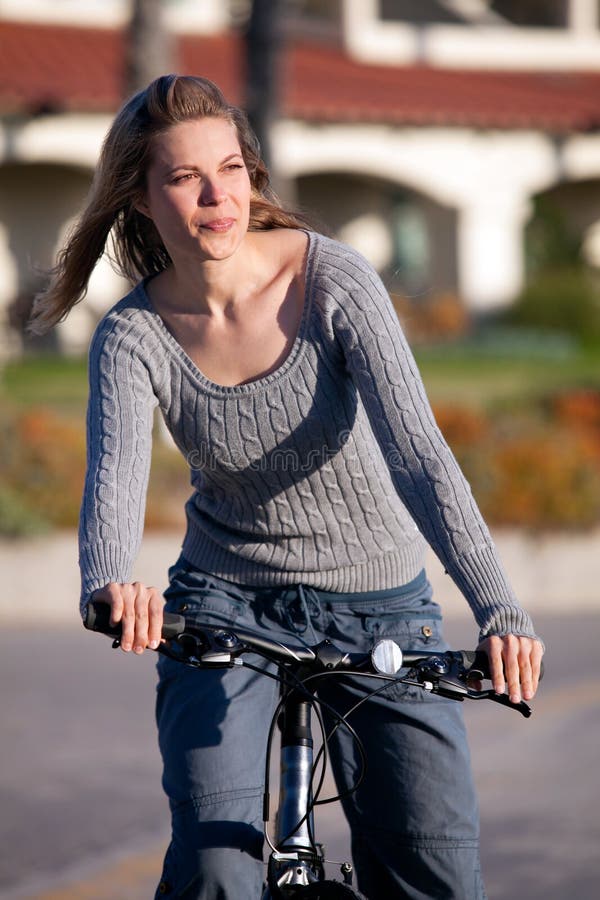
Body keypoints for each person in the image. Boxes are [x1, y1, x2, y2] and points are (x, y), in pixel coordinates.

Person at [31, 74, 543, 900]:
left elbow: (419, 455)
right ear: (139, 197)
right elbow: (115, 482)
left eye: (230, 169)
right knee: (215, 865)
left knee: (435, 873)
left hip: (379, 605)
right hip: (224, 609)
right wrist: (110, 583)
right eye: (185, 177)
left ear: (251, 175)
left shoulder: (334, 282)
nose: (217, 196)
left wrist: (500, 610)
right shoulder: (132, 335)